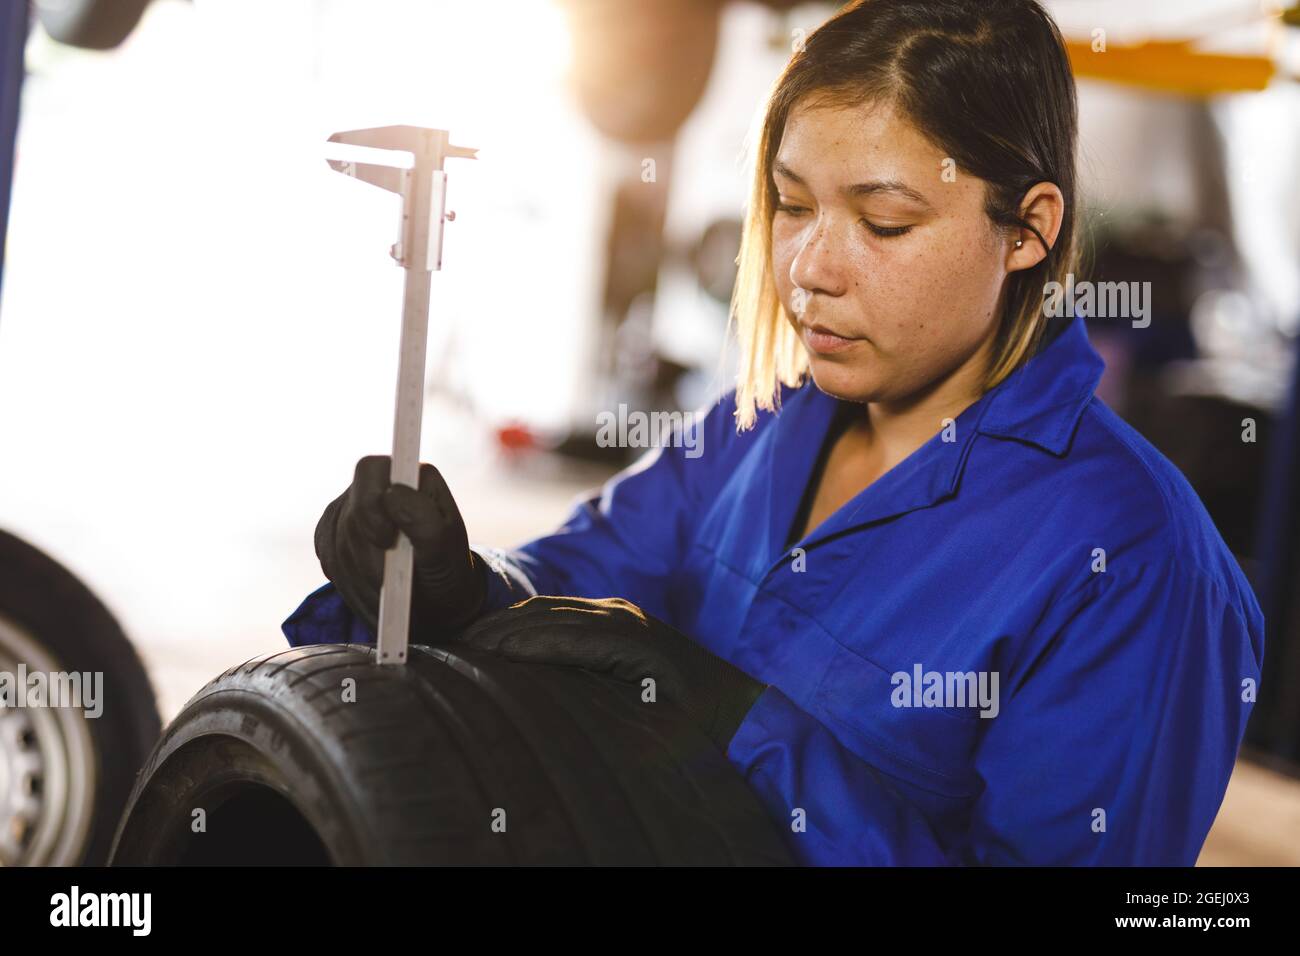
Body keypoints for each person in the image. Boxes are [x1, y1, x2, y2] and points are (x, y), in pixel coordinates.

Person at [282, 0, 1264, 865]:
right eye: (792, 205)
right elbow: (581, 574)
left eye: (882, 222)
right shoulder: (758, 428)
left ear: (1028, 228)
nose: (809, 268)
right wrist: (464, 587)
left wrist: (735, 721)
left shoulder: (1131, 565)